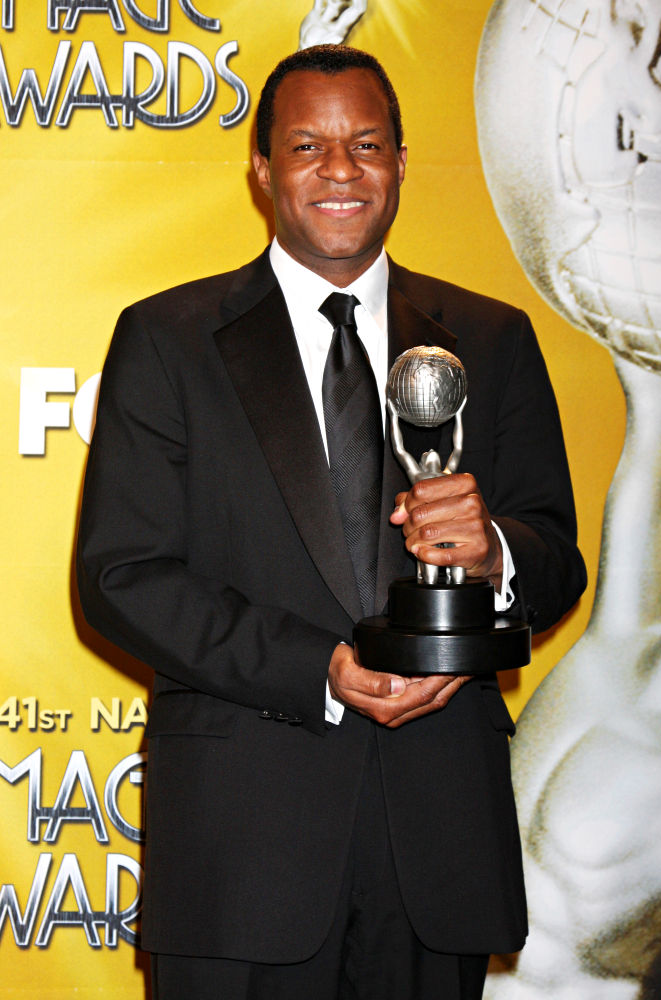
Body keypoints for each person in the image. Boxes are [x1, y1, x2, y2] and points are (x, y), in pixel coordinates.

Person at [77, 44, 586, 1000]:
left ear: (400, 161)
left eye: (367, 143)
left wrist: (496, 555)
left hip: (437, 842)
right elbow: (122, 576)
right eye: (308, 144)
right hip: (243, 851)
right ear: (263, 169)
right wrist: (319, 667)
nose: (341, 169)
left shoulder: (491, 338)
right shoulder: (168, 339)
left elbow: (557, 560)